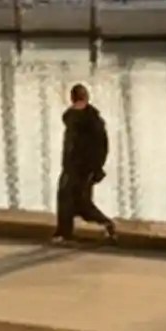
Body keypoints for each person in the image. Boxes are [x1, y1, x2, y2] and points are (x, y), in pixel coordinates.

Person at [53, 84, 116, 243]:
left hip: (81, 168)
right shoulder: (79, 119)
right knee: (67, 199)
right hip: (73, 167)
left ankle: (106, 224)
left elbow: (98, 147)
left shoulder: (90, 121)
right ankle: (64, 232)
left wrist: (95, 169)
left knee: (80, 202)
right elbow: (101, 147)